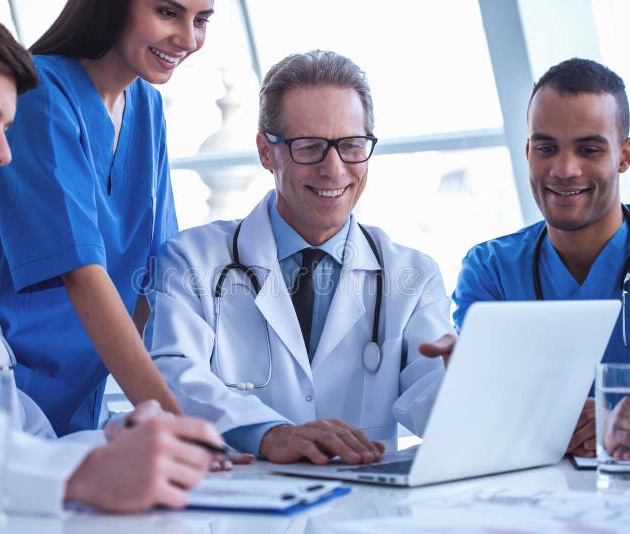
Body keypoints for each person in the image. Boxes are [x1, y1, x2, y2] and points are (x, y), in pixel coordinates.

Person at [0, 0, 222, 515]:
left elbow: (20, 431)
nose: (4, 153)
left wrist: (136, 445)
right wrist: (87, 469)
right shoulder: (49, 95)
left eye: (202, 20)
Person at [143, 50, 452, 464]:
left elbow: (439, 409)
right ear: (266, 152)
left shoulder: (413, 276)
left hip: (364, 501)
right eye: (309, 147)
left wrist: (465, 381)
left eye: (351, 146)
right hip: (239, 497)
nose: (334, 169)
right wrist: (268, 433)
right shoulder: (192, 261)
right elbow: (170, 376)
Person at [0, 0, 216, 436]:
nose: (187, 39)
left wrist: (183, 412)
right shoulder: (37, 93)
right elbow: (80, 272)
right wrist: (178, 425)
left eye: (201, 20)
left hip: (80, 402)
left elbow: (154, 281)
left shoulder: (147, 106)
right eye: (167, 12)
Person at [450, 58, 630, 456]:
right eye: (546, 148)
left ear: (624, 156)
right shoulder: (490, 271)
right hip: (532, 491)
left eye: (589, 149)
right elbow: (482, 409)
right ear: (528, 152)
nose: (564, 169)